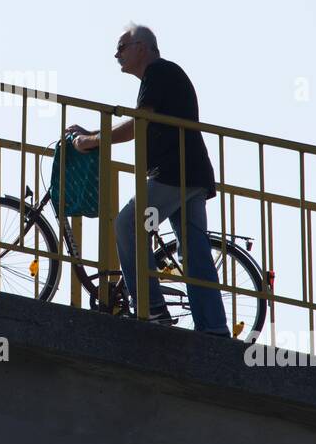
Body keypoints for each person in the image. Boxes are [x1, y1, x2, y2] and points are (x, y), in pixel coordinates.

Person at [63, 24, 230, 336]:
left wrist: (91, 141)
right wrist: (93, 135)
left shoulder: (157, 72)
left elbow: (138, 124)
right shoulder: (166, 74)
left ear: (142, 47)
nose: (117, 54)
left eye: (122, 47)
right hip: (192, 174)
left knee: (127, 224)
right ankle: (215, 327)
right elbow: (141, 125)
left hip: (173, 173)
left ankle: (150, 308)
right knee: (193, 251)